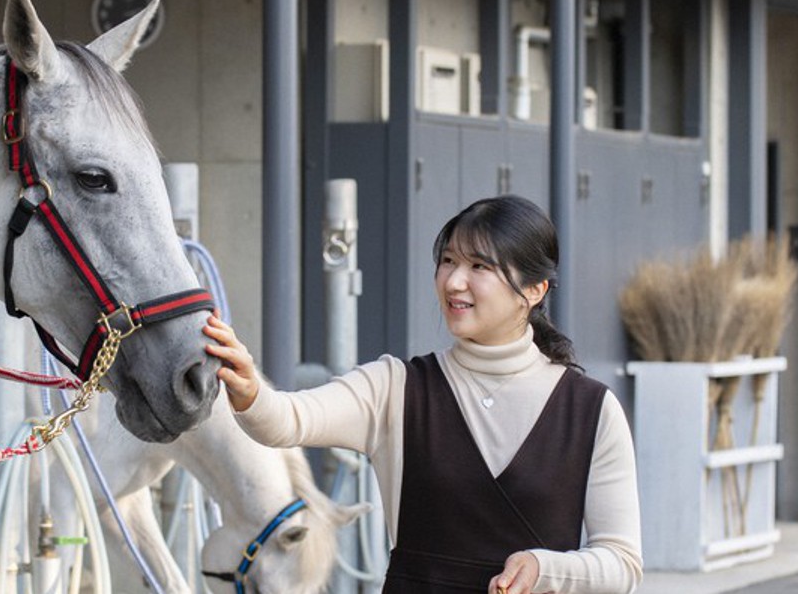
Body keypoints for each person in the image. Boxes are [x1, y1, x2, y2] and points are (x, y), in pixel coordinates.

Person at [203, 195, 642, 594]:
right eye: (448, 261)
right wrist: (249, 388)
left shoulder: (592, 411)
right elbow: (287, 419)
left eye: (480, 267)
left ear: (534, 289)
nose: (453, 282)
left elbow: (622, 564)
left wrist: (543, 569)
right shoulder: (395, 388)